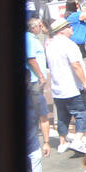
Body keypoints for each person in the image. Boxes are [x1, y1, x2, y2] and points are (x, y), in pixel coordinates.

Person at [46, 17, 86, 154]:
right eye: (69, 27)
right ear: (62, 30)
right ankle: (78, 139)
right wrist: (84, 83)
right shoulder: (69, 45)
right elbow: (76, 65)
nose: (71, 29)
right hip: (72, 87)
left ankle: (62, 142)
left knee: (62, 116)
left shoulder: (49, 45)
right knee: (82, 112)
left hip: (57, 88)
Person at [26, 17, 52, 154]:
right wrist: (41, 75)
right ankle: (36, 136)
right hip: (34, 79)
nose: (41, 28)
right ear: (34, 27)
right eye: (40, 26)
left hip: (35, 79)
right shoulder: (29, 40)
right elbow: (31, 59)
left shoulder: (33, 38)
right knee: (39, 109)